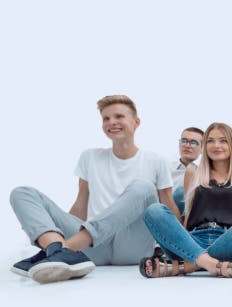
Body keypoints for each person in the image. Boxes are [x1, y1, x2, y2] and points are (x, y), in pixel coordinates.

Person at [9, 95, 180, 283]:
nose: (112, 122)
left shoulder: (156, 160)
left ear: (136, 122)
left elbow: (167, 208)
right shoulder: (89, 157)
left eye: (119, 116)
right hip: (92, 246)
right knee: (22, 192)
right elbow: (80, 205)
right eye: (106, 118)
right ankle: (56, 250)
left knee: (143, 187)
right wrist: (64, 227)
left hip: (133, 245)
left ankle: (65, 249)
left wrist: (183, 247)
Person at [139, 122, 232, 279]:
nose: (216, 145)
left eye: (223, 140)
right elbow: (188, 212)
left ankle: (184, 266)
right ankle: (214, 265)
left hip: (229, 242)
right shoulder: (193, 172)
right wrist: (181, 240)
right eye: (210, 141)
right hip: (192, 241)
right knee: (154, 211)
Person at [172, 127, 204, 215]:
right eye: (184, 141)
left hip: (196, 215)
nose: (187, 145)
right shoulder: (166, 168)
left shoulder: (206, 172)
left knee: (181, 193)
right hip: (169, 213)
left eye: (193, 142)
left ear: (202, 148)